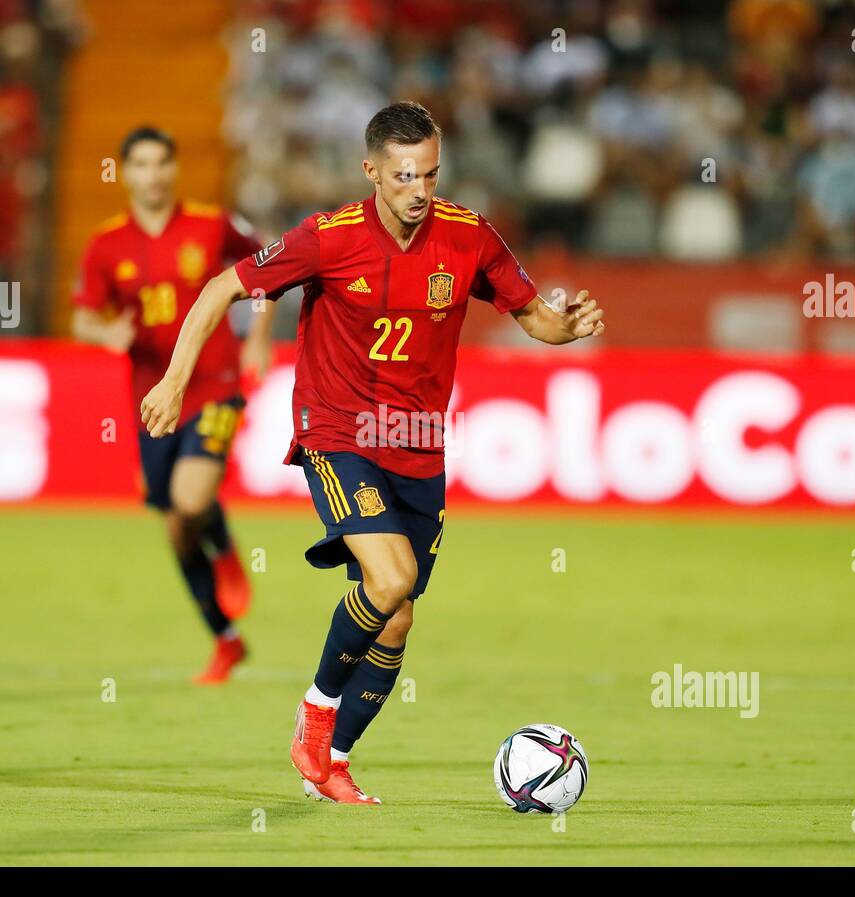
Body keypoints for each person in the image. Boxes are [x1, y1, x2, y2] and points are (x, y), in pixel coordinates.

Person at [140, 102, 604, 803]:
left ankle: (334, 765)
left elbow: (533, 313)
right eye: (405, 176)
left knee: (399, 611)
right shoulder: (327, 239)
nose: (421, 190)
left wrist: (565, 328)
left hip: (419, 444)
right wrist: (175, 381)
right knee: (389, 580)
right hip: (337, 430)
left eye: (431, 174)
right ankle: (316, 715)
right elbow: (219, 289)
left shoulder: (468, 236)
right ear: (372, 172)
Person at [73, 127, 274, 684]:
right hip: (151, 399)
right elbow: (82, 317)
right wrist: (104, 332)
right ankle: (226, 640)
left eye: (162, 162)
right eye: (140, 164)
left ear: (173, 168)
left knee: (191, 499)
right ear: (125, 172)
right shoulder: (106, 245)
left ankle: (226, 545)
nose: (153, 174)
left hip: (214, 382)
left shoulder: (211, 224)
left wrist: (258, 337)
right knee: (176, 528)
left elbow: (269, 267)